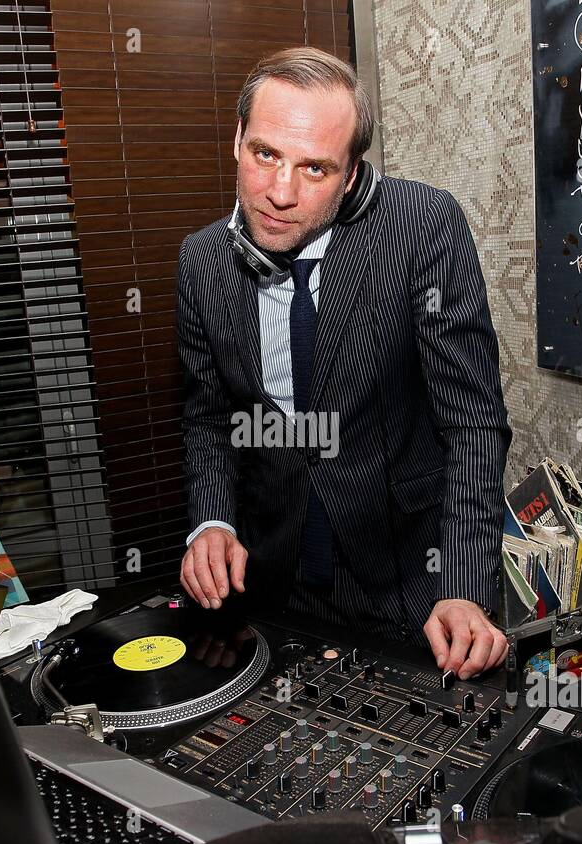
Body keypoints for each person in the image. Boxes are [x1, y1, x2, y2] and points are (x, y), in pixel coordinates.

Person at [176, 47, 511, 680]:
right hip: (270, 586)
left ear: (352, 174)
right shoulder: (202, 263)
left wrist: (466, 583)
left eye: (316, 169)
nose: (280, 192)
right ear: (237, 141)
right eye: (265, 155)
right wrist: (212, 520)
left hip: (413, 583)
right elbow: (208, 417)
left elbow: (472, 421)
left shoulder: (423, 230)